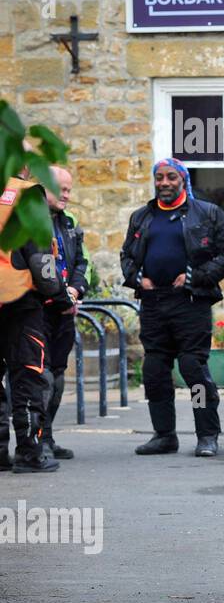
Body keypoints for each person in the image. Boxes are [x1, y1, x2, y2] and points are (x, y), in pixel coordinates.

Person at [121, 158, 224, 457]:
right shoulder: (142, 217)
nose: (164, 183)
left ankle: (207, 435)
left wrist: (196, 277)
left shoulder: (207, 213)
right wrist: (136, 279)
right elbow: (127, 256)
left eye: (171, 177)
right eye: (159, 177)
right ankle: (164, 435)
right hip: (153, 303)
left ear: (182, 179)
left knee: (192, 368)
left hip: (190, 303)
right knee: (154, 370)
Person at [0, 171, 69, 473]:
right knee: (28, 376)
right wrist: (60, 297)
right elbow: (41, 259)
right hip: (19, 302)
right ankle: (30, 454)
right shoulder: (27, 193)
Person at [40, 166, 88, 460]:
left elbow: (84, 262)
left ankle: (48, 436)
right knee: (40, 378)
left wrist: (76, 290)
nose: (67, 195)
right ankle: (35, 441)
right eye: (62, 189)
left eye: (70, 189)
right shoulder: (31, 222)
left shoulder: (70, 222)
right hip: (39, 311)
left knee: (57, 376)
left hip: (65, 310)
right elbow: (42, 267)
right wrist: (61, 294)